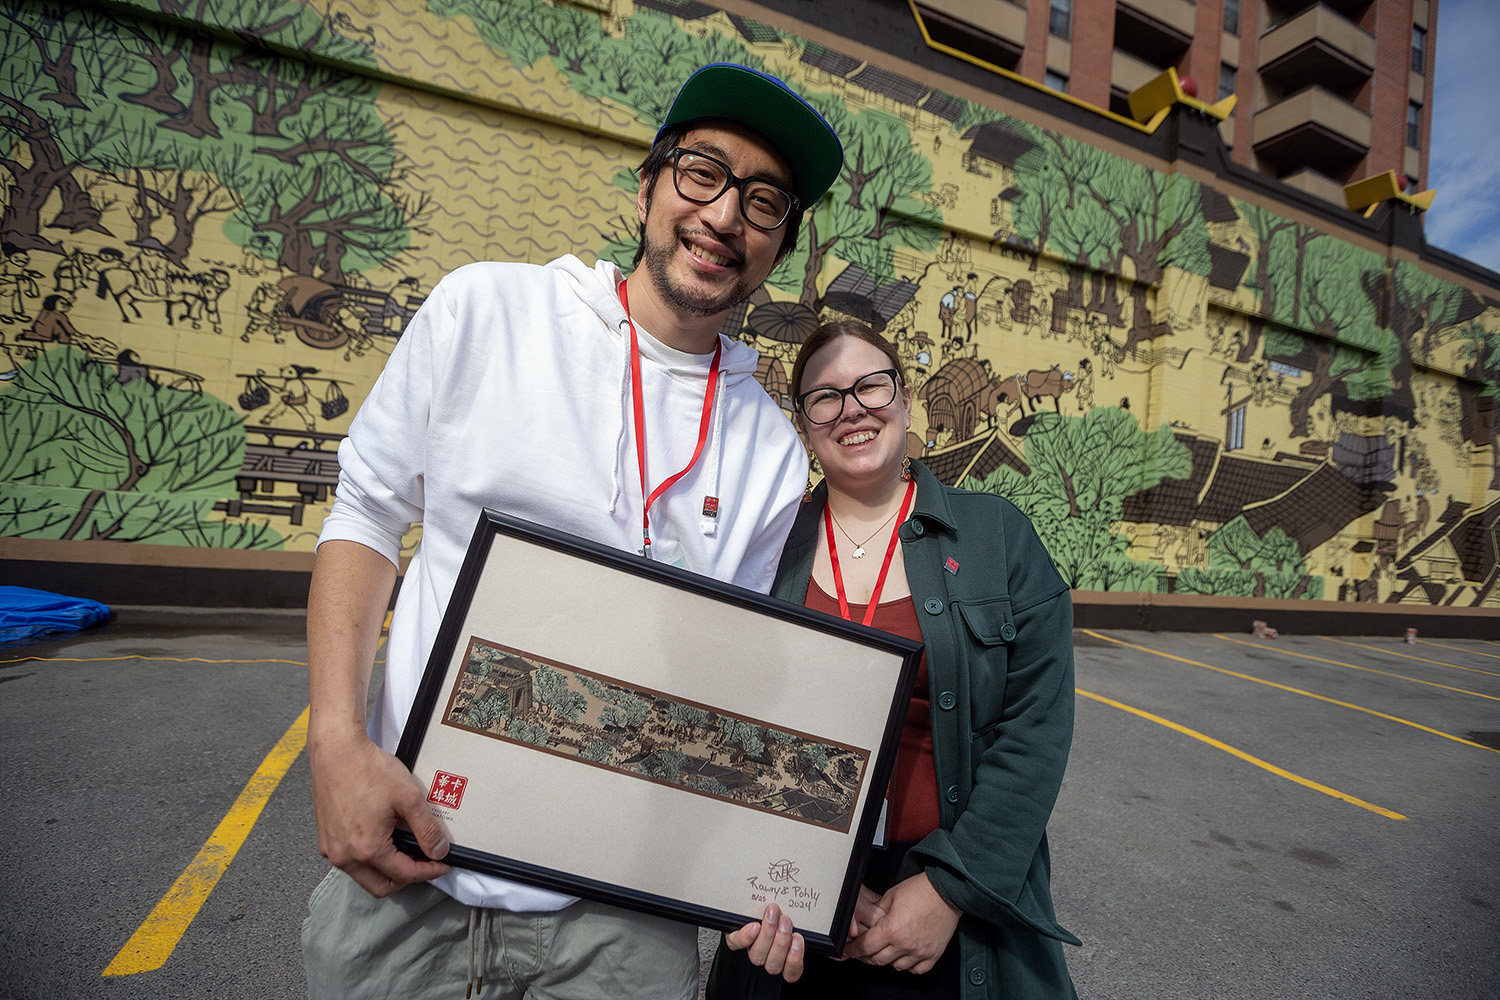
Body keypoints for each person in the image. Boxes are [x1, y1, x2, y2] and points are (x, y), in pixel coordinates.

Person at [301, 63, 844, 1000]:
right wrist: (338, 745)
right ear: (648, 186)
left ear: (779, 245)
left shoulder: (769, 446)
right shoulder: (488, 311)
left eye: (764, 203)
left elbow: (734, 682)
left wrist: (774, 869)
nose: (724, 217)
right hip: (413, 863)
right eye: (702, 172)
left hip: (622, 914)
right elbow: (367, 513)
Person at [709, 321, 1079, 998]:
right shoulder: (765, 547)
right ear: (807, 424)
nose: (852, 408)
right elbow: (722, 729)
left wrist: (949, 889)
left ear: (904, 399)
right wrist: (796, 877)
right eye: (825, 396)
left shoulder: (999, 537)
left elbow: (1036, 731)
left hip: (947, 901)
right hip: (787, 897)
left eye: (870, 386)